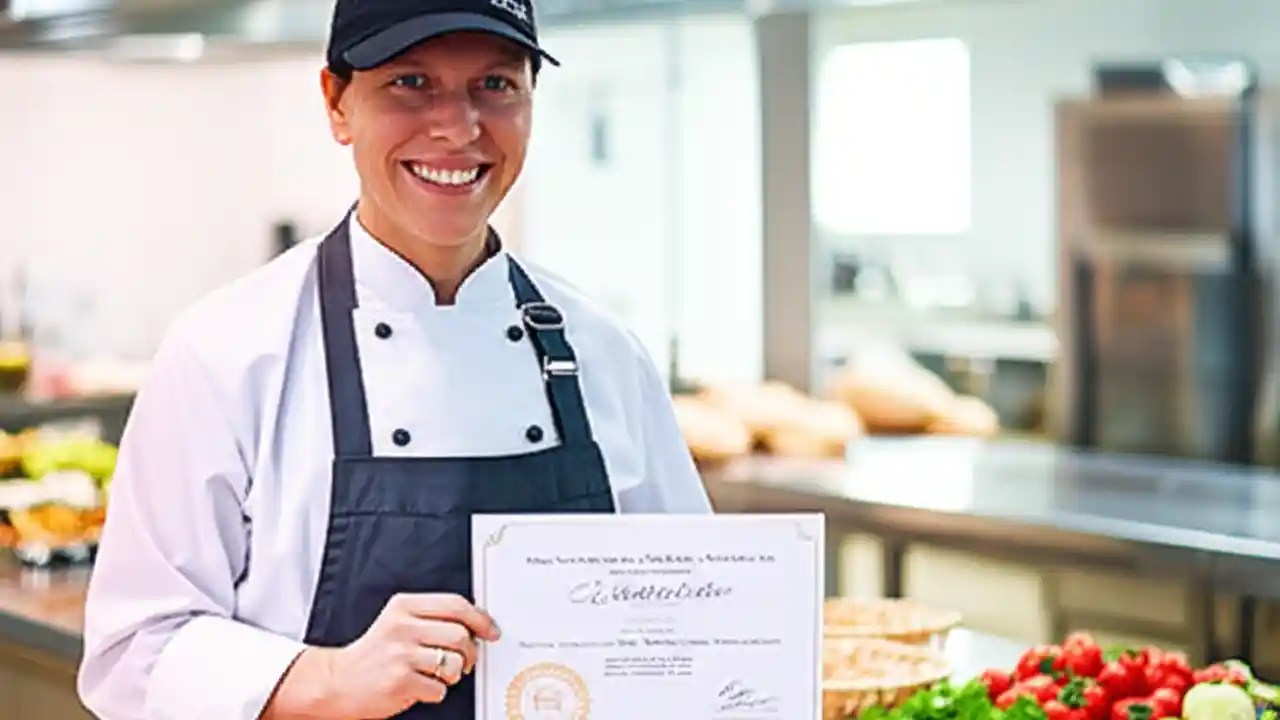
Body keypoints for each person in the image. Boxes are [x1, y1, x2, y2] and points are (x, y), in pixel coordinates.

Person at [75, 0, 712, 715]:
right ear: (337, 104)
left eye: (495, 86)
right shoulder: (226, 351)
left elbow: (693, 617)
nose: (458, 128)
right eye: (410, 83)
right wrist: (327, 679)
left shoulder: (605, 352)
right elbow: (134, 653)